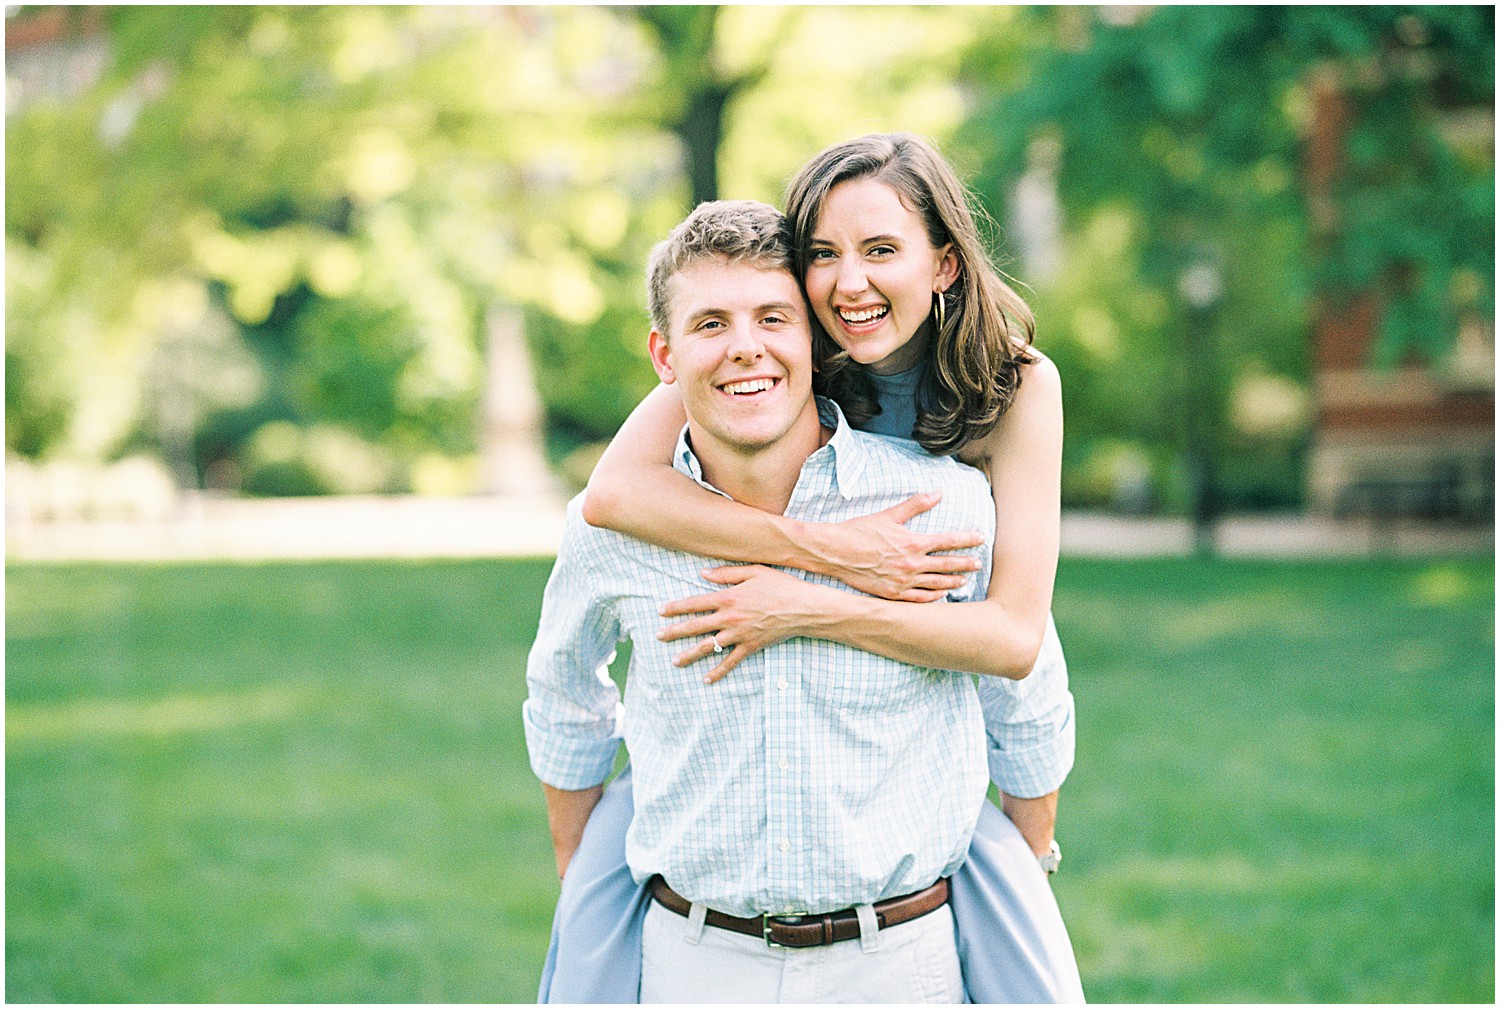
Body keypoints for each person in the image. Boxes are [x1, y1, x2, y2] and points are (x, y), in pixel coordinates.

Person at [526, 199, 1076, 1004]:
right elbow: (563, 691)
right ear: (664, 355)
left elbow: (1025, 697)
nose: (744, 346)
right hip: (692, 961)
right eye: (709, 323)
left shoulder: (939, 509)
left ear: (814, 343)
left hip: (903, 962)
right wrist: (584, 881)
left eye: (772, 318)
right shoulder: (617, 529)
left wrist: (1021, 878)